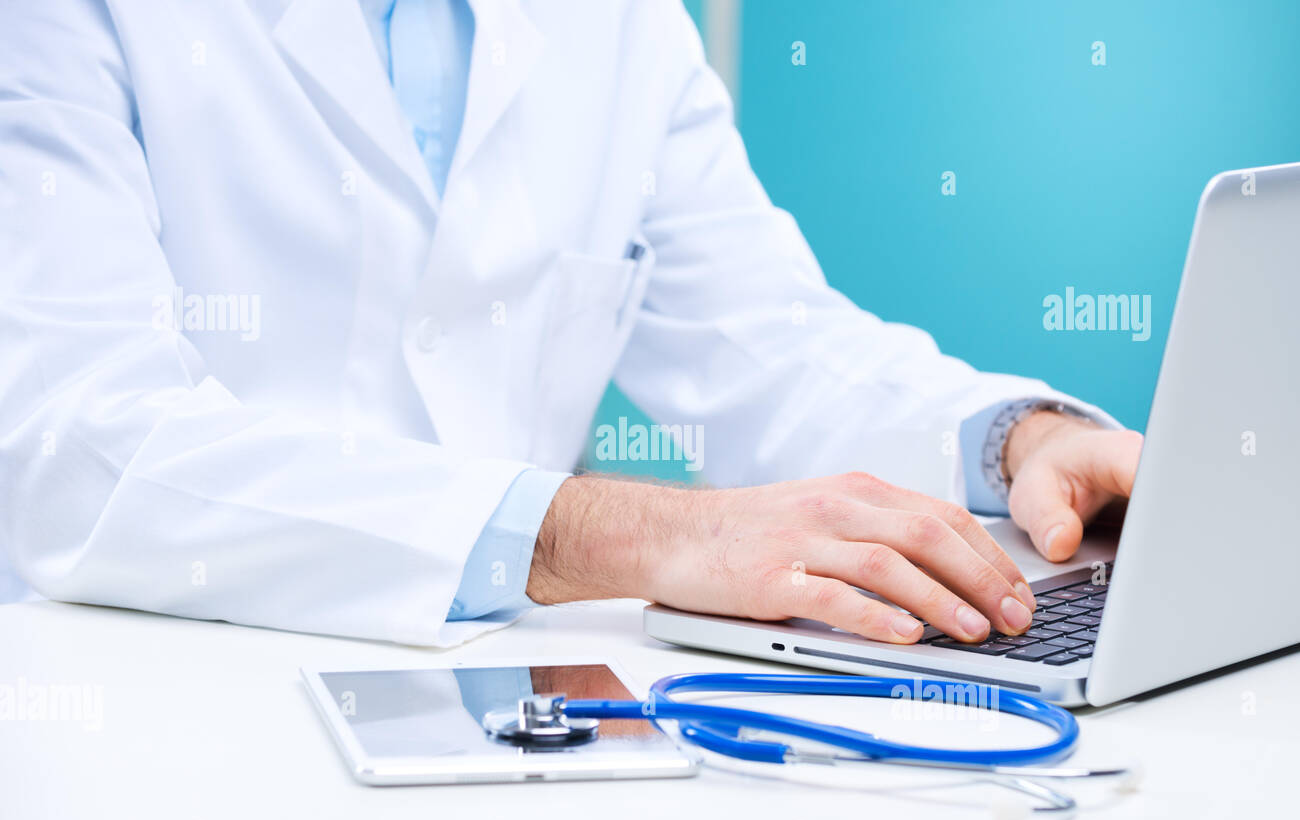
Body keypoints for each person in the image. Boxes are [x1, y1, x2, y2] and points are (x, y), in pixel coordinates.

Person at [0, 0, 1141, 648]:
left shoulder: (619, 24)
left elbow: (770, 343)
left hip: (503, 723)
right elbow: (82, 446)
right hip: (153, 707)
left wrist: (1015, 438)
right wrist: (599, 533)